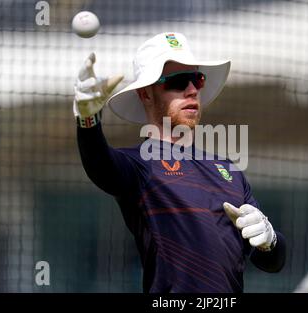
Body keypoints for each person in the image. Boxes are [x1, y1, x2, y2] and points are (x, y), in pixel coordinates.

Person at [73, 32, 286, 293]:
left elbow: (273, 262)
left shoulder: (228, 170)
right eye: (178, 81)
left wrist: (270, 239)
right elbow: (100, 165)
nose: (192, 90)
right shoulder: (139, 165)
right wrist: (88, 121)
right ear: (146, 95)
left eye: (197, 79)